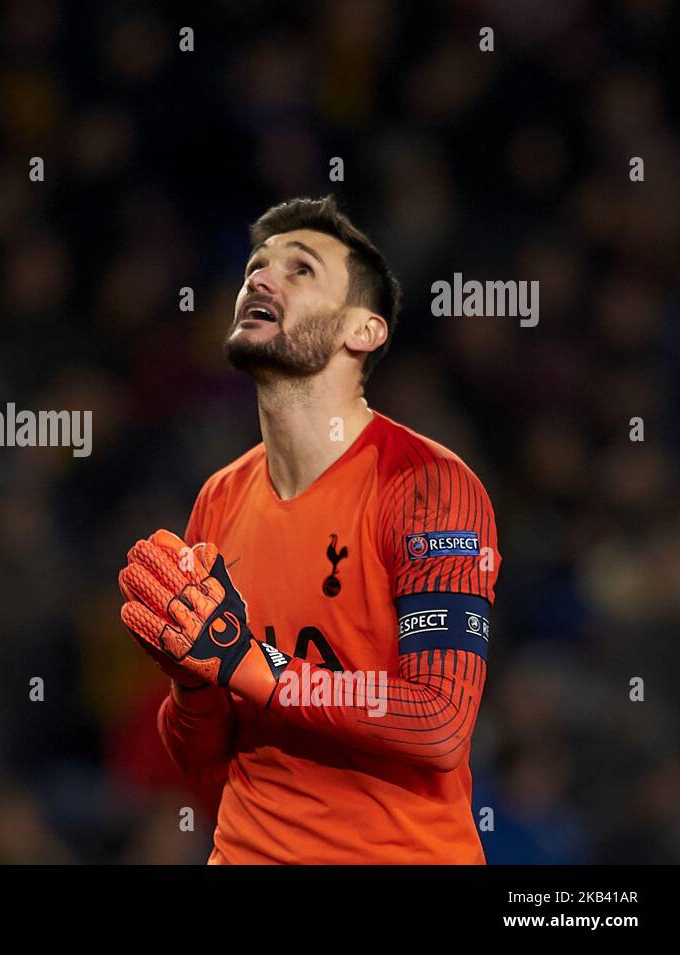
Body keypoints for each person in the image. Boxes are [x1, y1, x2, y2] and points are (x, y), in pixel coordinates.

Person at [118, 196, 500, 864]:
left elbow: (439, 721)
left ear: (364, 330)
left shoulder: (427, 485)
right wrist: (194, 678)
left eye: (301, 270)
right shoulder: (220, 498)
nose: (261, 280)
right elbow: (204, 762)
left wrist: (247, 661)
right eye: (256, 267)